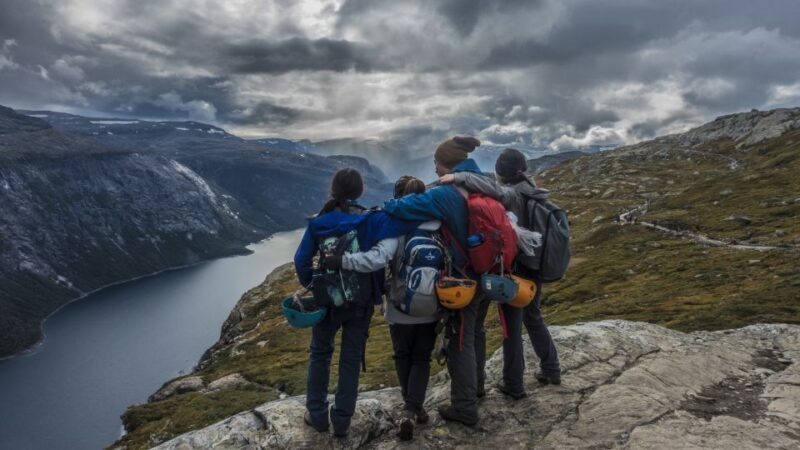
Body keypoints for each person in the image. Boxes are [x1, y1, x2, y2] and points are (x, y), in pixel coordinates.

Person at [294, 168, 419, 438]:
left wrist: (313, 286)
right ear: (360, 191)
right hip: (360, 303)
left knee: (320, 354)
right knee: (350, 358)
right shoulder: (372, 220)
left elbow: (301, 260)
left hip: (327, 301)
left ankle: (317, 415)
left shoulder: (319, 223)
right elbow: (405, 226)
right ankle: (342, 421)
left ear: (333, 190)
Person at [381, 136, 489, 426]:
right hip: (490, 271)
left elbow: (400, 208)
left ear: (447, 163)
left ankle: (465, 408)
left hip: (464, 280)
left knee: (460, 342)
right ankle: (477, 388)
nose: (435, 169)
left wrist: (388, 203)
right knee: (476, 332)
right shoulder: (484, 183)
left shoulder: (446, 193)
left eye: (436, 163)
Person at [324, 175, 440, 441]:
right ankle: (414, 408)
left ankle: (410, 408)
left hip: (400, 306)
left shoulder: (394, 226)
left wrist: (342, 261)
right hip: (432, 303)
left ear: (398, 198)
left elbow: (376, 260)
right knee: (422, 357)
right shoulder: (437, 224)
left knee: (402, 355)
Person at [439, 148, 562, 399]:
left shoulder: (513, 195)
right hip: (535, 267)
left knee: (511, 328)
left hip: (517, 269)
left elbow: (491, 189)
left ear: (500, 173)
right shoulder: (534, 190)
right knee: (534, 317)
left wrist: (459, 177)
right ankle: (551, 368)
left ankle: (513, 384)